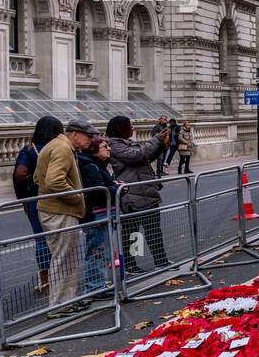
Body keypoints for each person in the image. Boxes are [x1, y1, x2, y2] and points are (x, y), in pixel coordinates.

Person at [34, 119, 97, 311]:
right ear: (75, 134)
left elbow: (38, 177)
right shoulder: (62, 148)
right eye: (88, 136)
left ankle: (67, 301)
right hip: (59, 211)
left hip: (58, 210)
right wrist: (77, 197)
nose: (91, 141)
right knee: (63, 258)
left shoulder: (58, 146)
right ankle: (58, 306)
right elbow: (54, 181)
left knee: (69, 258)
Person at [106, 115, 171, 274]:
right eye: (130, 125)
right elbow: (137, 156)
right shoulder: (114, 145)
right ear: (121, 128)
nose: (133, 128)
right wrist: (156, 139)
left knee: (153, 230)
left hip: (145, 191)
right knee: (133, 232)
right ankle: (131, 265)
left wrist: (162, 145)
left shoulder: (126, 143)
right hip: (132, 194)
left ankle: (161, 261)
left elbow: (146, 157)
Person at [14, 116, 64, 295]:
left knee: (41, 238)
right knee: (60, 238)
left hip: (35, 200)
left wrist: (26, 196)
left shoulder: (29, 150)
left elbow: (20, 174)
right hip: (58, 198)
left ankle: (45, 278)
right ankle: (60, 275)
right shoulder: (59, 148)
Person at [76, 136, 119, 294]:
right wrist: (118, 189)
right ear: (94, 150)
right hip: (96, 216)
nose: (108, 149)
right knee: (98, 253)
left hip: (102, 215)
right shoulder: (90, 166)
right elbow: (99, 193)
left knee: (104, 253)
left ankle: (99, 284)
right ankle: (95, 288)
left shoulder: (96, 165)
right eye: (104, 146)